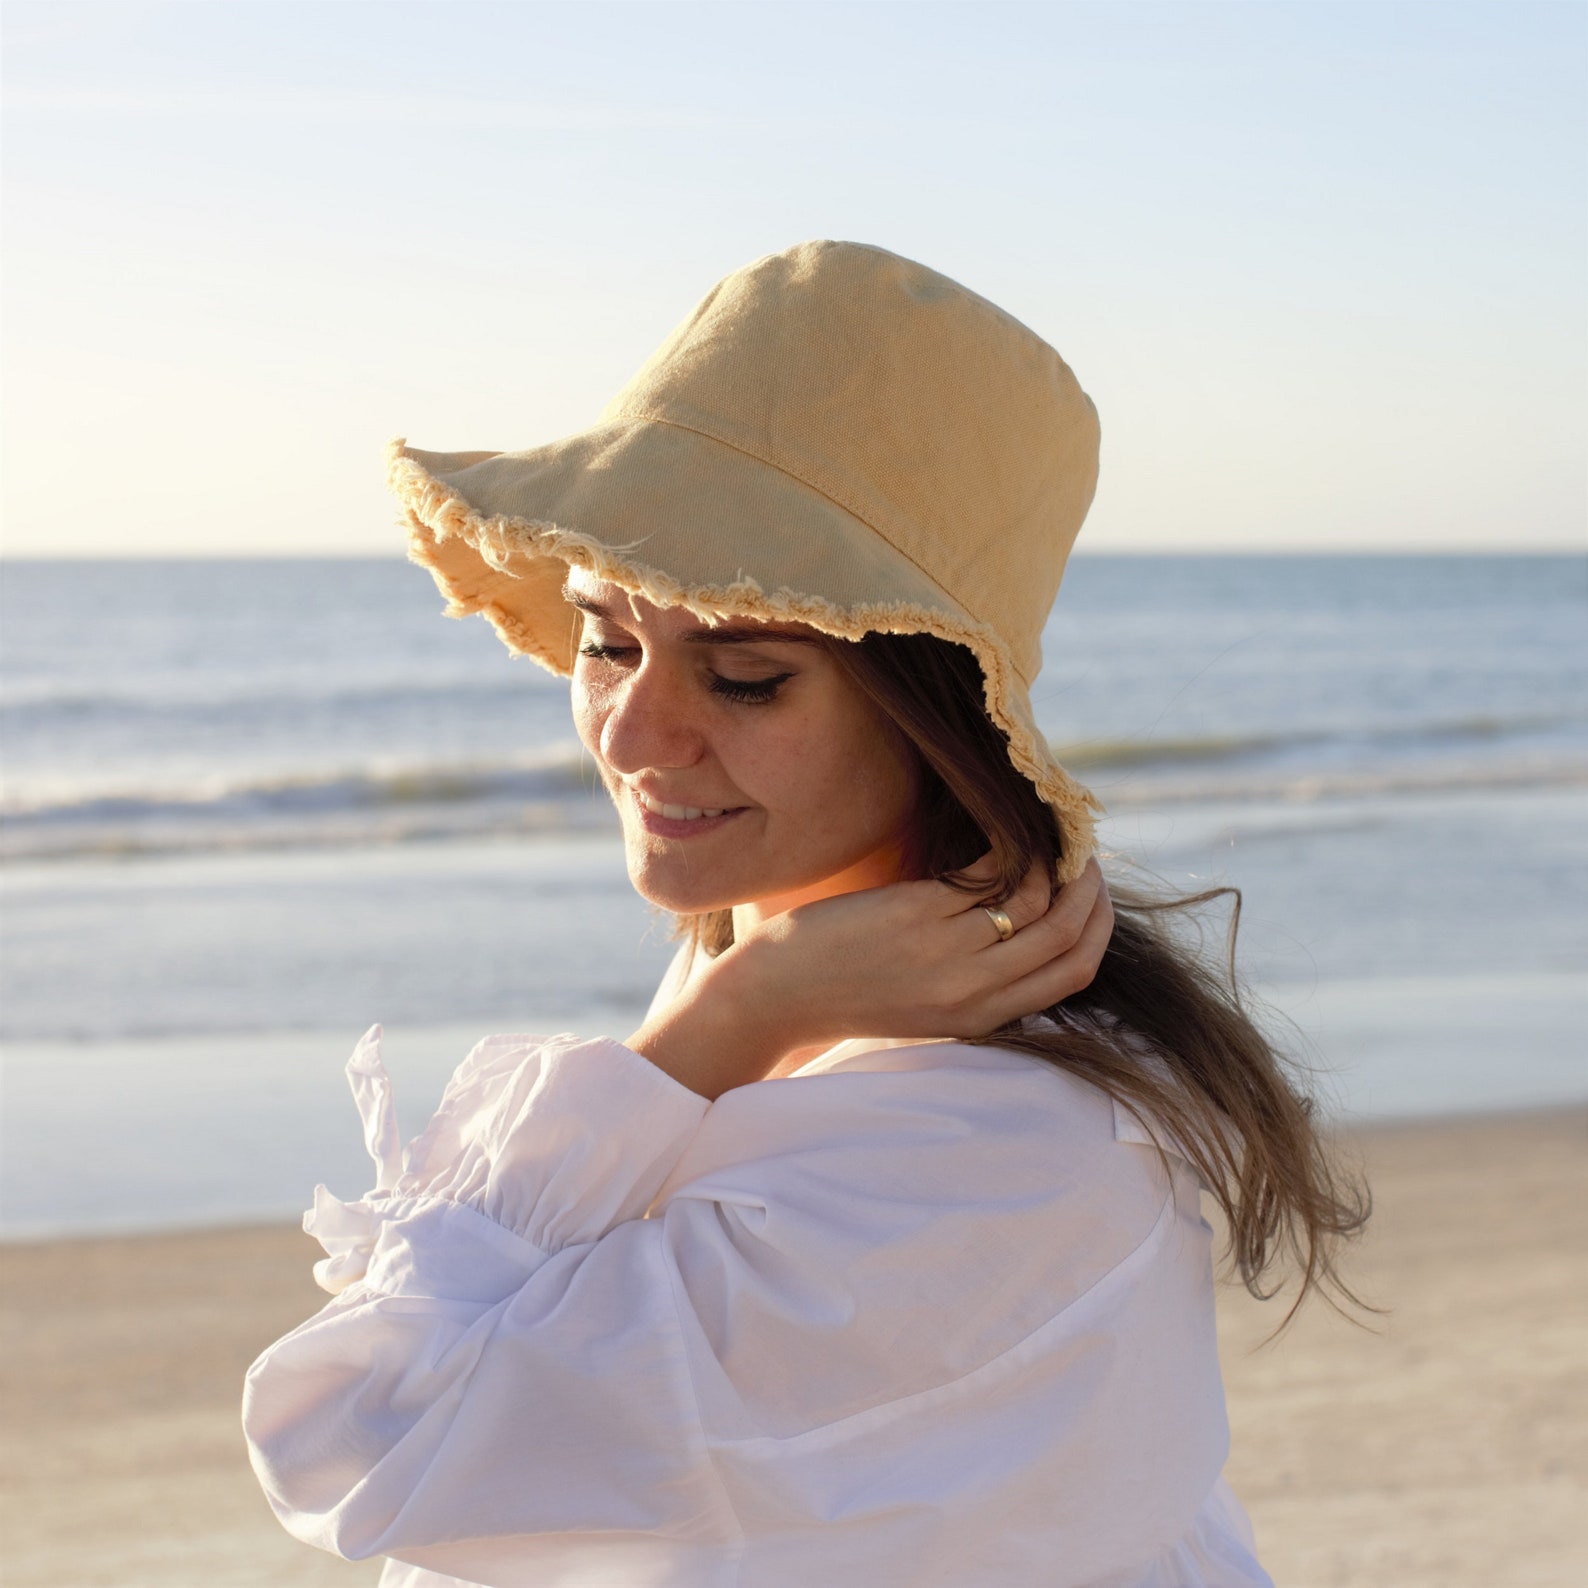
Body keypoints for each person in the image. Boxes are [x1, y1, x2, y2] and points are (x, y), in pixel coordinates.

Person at [243, 240, 1366, 1587]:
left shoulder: (981, 1149)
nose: (639, 733)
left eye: (747, 677)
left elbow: (366, 1438)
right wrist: (738, 1004)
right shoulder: (806, 994)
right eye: (608, 641)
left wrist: (725, 1024)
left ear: (929, 720)